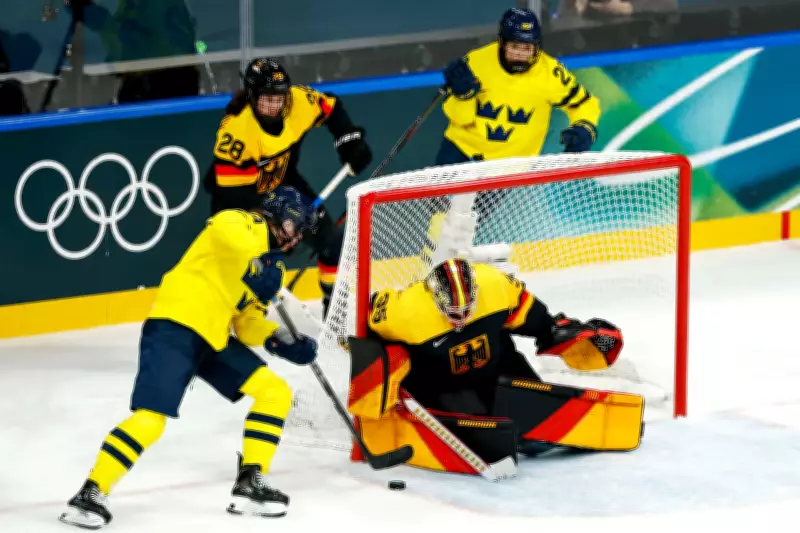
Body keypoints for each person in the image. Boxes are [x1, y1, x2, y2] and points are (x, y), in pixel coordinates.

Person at [59, 186, 320, 529]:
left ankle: (250, 482)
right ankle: (90, 493)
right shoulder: (239, 221)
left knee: (275, 392)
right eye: (294, 226)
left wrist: (278, 341)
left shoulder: (274, 269)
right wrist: (259, 267)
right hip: (176, 325)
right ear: (278, 215)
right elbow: (231, 241)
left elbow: (247, 323)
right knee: (151, 420)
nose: (296, 237)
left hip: (213, 339)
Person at [347, 258, 644, 475]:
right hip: (442, 383)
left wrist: (555, 332)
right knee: (496, 434)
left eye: (467, 309)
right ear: (434, 298)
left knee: (533, 433)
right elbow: (362, 323)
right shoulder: (404, 313)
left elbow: (534, 317)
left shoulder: (495, 285)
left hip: (497, 366)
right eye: (453, 312)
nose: (461, 318)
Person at [205, 57, 373, 317]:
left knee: (331, 242)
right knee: (245, 263)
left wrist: (348, 139)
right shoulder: (236, 132)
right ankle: (236, 313)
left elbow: (331, 106)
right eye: (266, 99)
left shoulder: (298, 102)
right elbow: (232, 198)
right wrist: (279, 219)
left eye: (279, 98)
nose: (275, 105)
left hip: (285, 184)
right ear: (251, 95)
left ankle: (335, 311)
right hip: (240, 201)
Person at [436, 7, 600, 165]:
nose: (521, 54)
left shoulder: (551, 74)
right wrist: (464, 97)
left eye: (527, 48)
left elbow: (585, 103)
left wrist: (584, 127)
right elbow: (461, 120)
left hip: (508, 164)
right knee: (433, 193)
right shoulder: (476, 62)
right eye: (514, 46)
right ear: (502, 42)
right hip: (460, 149)